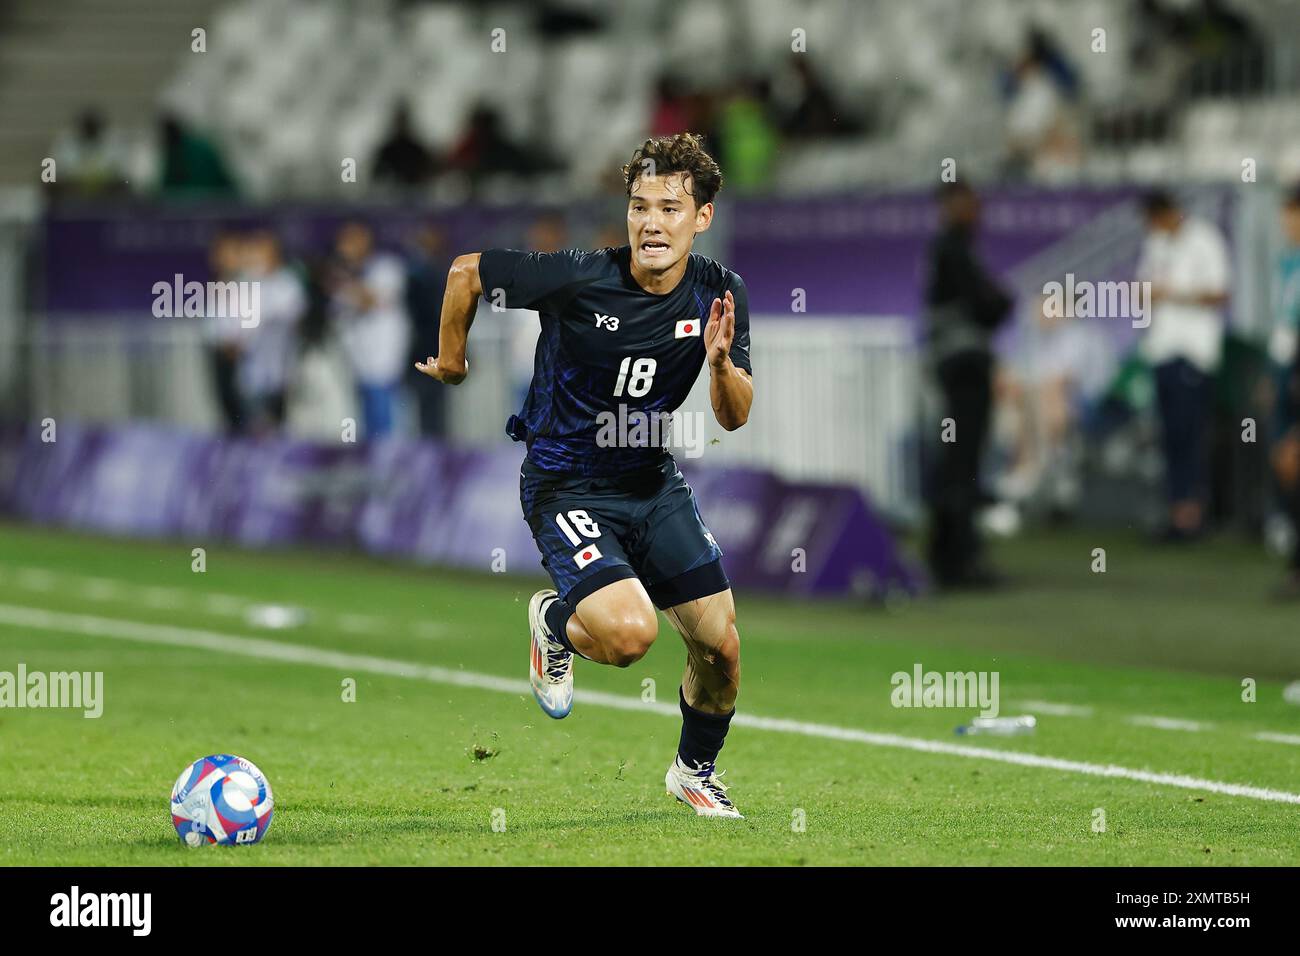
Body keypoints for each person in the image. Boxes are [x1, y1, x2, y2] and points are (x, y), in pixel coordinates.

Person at [416, 133, 753, 817]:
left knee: (722, 651)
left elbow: (734, 415)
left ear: (703, 217)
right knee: (631, 638)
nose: (651, 222)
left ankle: (694, 772)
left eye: (669, 207)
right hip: (566, 482)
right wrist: (452, 360)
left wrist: (720, 367)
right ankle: (557, 621)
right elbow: (465, 273)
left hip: (651, 484)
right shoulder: (579, 277)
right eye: (639, 206)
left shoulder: (720, 291)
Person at [923, 182, 1013, 588]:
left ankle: (947, 556)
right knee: (964, 463)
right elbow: (989, 305)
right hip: (965, 366)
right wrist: (1001, 301)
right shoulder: (955, 250)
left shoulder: (949, 250)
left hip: (952, 363)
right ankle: (960, 561)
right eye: (967, 204)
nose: (974, 211)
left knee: (956, 460)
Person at [1136, 189, 1231, 541]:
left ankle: (1194, 516)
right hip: (1161, 349)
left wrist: (1174, 293)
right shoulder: (1155, 243)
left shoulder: (1205, 239)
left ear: (1167, 212)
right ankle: (1177, 513)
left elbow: (1221, 293)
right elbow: (1144, 289)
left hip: (1194, 352)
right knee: (1171, 436)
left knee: (1191, 433)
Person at [328, 222, 411, 439]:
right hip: (358, 360)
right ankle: (374, 464)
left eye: (351, 241)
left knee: (388, 418)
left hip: (384, 358)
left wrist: (345, 281)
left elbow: (369, 300)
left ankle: (393, 462)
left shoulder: (386, 267)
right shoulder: (343, 275)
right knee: (365, 422)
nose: (345, 248)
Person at [239, 230, 307, 434]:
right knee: (255, 426)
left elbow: (295, 317)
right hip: (253, 372)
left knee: (282, 425)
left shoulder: (287, 284)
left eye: (262, 254)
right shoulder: (245, 283)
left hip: (282, 370)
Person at [1270, 186, 1300, 596]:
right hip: (1286, 369)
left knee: (1290, 460)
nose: (1287, 224)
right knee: (1286, 462)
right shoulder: (1288, 262)